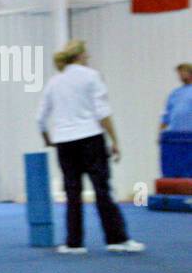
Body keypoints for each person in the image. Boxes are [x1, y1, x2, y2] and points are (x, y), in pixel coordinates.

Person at [36, 39, 143, 254]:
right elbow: (103, 112)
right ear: (80, 56)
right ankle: (116, 239)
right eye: (86, 54)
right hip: (91, 139)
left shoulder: (54, 82)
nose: (88, 58)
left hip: (64, 143)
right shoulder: (92, 76)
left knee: (72, 193)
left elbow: (40, 118)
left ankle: (74, 243)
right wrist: (115, 140)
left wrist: (48, 139)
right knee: (102, 189)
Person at [159, 62, 192, 134]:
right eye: (179, 73)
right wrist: (161, 132)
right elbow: (166, 114)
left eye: (183, 72)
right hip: (175, 134)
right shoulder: (175, 93)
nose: (180, 75)